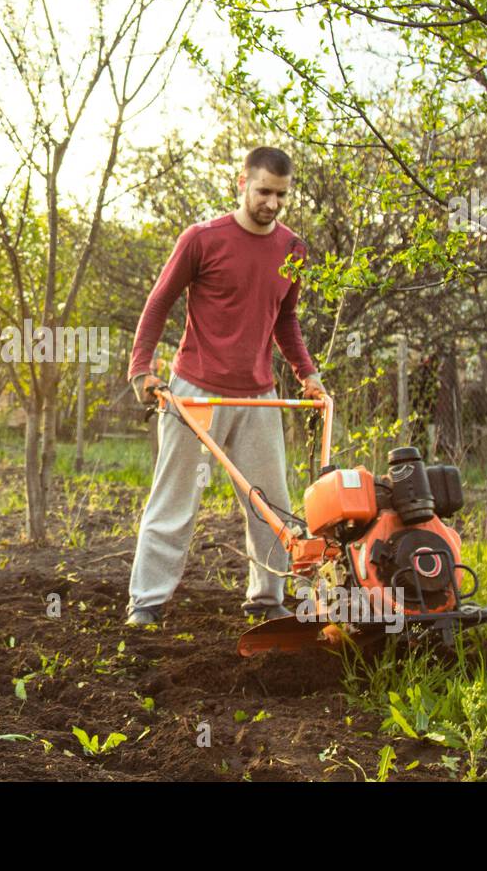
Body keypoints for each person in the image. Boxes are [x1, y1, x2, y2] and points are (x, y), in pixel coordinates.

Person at [124, 146, 327, 627]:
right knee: (173, 502)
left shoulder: (293, 250)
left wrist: (309, 375)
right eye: (263, 192)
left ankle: (266, 598)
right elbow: (158, 304)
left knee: (270, 503)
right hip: (195, 392)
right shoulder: (202, 239)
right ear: (242, 183)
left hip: (258, 395)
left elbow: (286, 320)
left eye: (281, 195)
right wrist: (140, 369)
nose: (272, 204)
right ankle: (146, 604)